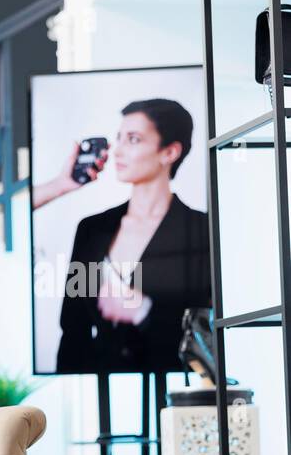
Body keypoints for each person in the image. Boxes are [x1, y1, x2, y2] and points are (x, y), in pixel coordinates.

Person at [35, 98, 210, 373]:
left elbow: (206, 332)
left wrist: (143, 311)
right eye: (119, 139)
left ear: (169, 152)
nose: (117, 151)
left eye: (134, 139)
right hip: (100, 379)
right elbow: (72, 329)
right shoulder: (91, 229)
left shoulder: (201, 230)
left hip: (176, 380)